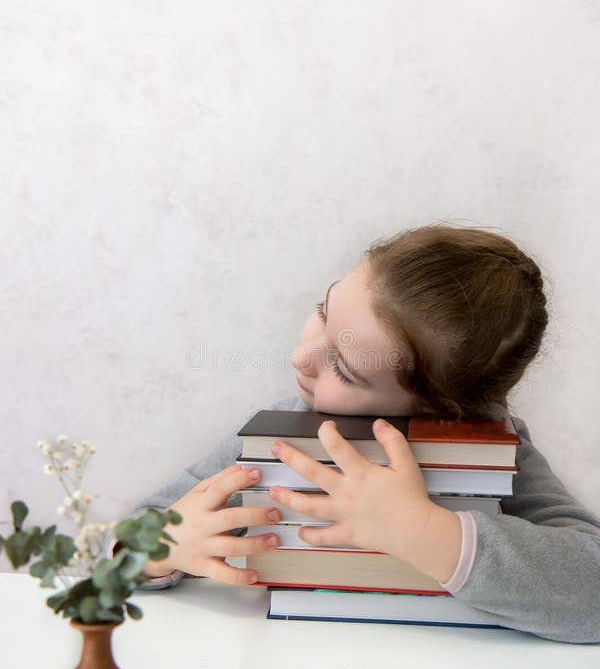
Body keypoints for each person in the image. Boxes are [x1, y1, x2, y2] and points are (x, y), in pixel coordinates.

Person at [108, 224, 600, 643]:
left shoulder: (496, 451)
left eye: (344, 368)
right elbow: (125, 542)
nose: (301, 357)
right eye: (323, 312)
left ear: (441, 409)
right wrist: (155, 552)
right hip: (281, 662)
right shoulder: (272, 437)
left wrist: (423, 531)